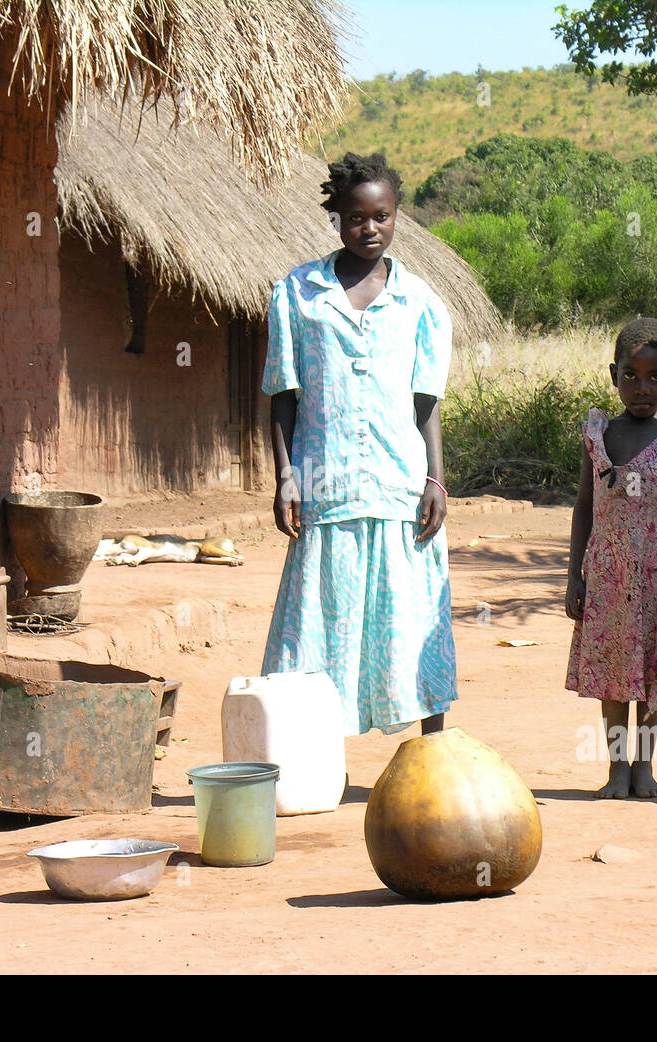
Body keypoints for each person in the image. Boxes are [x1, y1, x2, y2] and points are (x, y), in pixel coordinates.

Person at [261, 152, 456, 736]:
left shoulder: (421, 302)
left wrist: (435, 479)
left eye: (381, 216)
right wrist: (286, 476)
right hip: (326, 487)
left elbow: (426, 404)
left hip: (399, 487)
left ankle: (434, 762)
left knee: (413, 617)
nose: (368, 229)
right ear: (336, 218)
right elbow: (283, 395)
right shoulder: (297, 293)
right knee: (320, 627)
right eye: (355, 217)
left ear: (397, 217)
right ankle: (312, 760)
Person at [565, 318, 657, 798]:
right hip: (608, 578)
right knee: (613, 675)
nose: (642, 388)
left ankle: (645, 767)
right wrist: (576, 575)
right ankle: (616, 770)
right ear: (613, 375)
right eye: (630, 375)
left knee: (654, 674)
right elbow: (584, 507)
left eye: (656, 377)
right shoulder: (598, 435)